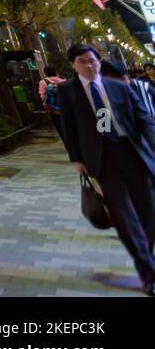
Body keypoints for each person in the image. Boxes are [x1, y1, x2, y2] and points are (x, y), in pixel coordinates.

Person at [57, 44, 155, 295]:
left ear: (99, 61)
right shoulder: (67, 91)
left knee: (149, 211)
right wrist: (76, 158)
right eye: (82, 61)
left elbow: (143, 118)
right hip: (102, 159)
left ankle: (146, 252)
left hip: (131, 152)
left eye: (93, 60)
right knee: (124, 216)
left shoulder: (119, 86)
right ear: (73, 65)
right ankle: (148, 272)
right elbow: (68, 126)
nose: (89, 65)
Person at [38, 67, 66, 140]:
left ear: (45, 73)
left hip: (53, 111)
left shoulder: (43, 82)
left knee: (61, 130)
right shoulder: (63, 81)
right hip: (66, 109)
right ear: (56, 72)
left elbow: (42, 97)